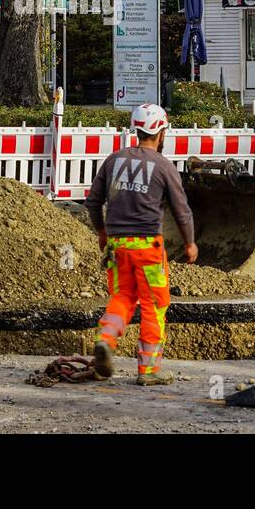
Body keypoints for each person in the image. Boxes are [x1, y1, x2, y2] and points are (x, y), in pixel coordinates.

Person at [86, 103, 198, 386]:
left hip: (117, 246)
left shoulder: (114, 160)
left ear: (137, 130)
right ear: (161, 133)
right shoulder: (163, 166)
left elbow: (93, 201)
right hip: (148, 248)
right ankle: (148, 370)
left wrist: (101, 230)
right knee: (154, 304)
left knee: (122, 297)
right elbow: (182, 210)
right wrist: (190, 244)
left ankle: (105, 340)